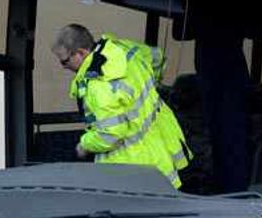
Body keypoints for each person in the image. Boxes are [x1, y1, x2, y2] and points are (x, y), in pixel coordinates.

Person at [51, 24, 191, 188]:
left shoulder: (98, 84)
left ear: (81, 53)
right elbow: (157, 57)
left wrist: (84, 145)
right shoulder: (123, 49)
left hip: (132, 168)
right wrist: (150, 84)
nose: (63, 66)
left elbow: (110, 136)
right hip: (161, 147)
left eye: (65, 61)